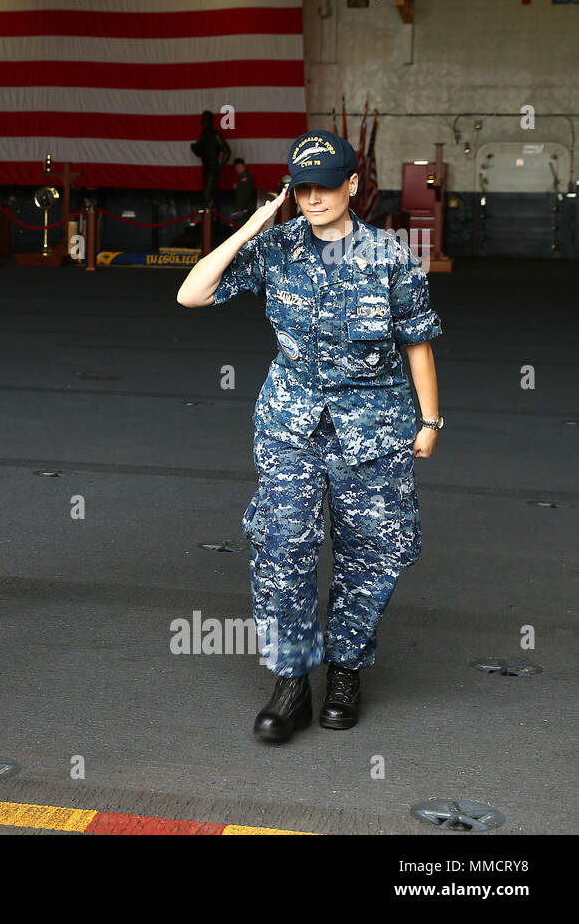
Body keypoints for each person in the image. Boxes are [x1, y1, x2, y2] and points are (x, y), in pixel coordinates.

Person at [176, 129, 442, 743]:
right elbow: (193, 293)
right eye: (302, 186)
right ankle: (291, 681)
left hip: (374, 429)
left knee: (375, 551)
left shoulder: (391, 255)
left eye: (326, 184)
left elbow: (417, 342)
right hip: (291, 427)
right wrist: (253, 225)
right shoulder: (276, 250)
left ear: (353, 185)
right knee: (282, 548)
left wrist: (430, 420)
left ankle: (346, 669)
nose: (314, 196)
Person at [190, 110, 231, 211]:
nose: (204, 121)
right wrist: (195, 148)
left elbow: (227, 151)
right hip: (206, 167)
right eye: (203, 119)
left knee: (208, 194)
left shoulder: (215, 134)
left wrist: (220, 166)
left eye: (206, 119)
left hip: (213, 167)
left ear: (211, 120)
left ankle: (213, 219)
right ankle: (212, 219)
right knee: (210, 193)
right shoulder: (204, 134)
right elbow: (202, 151)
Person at [232, 157, 256, 223]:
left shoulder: (245, 177)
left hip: (244, 210)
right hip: (245, 209)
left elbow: (244, 194)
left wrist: (240, 209)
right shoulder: (243, 177)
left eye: (238, 167)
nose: (237, 169)